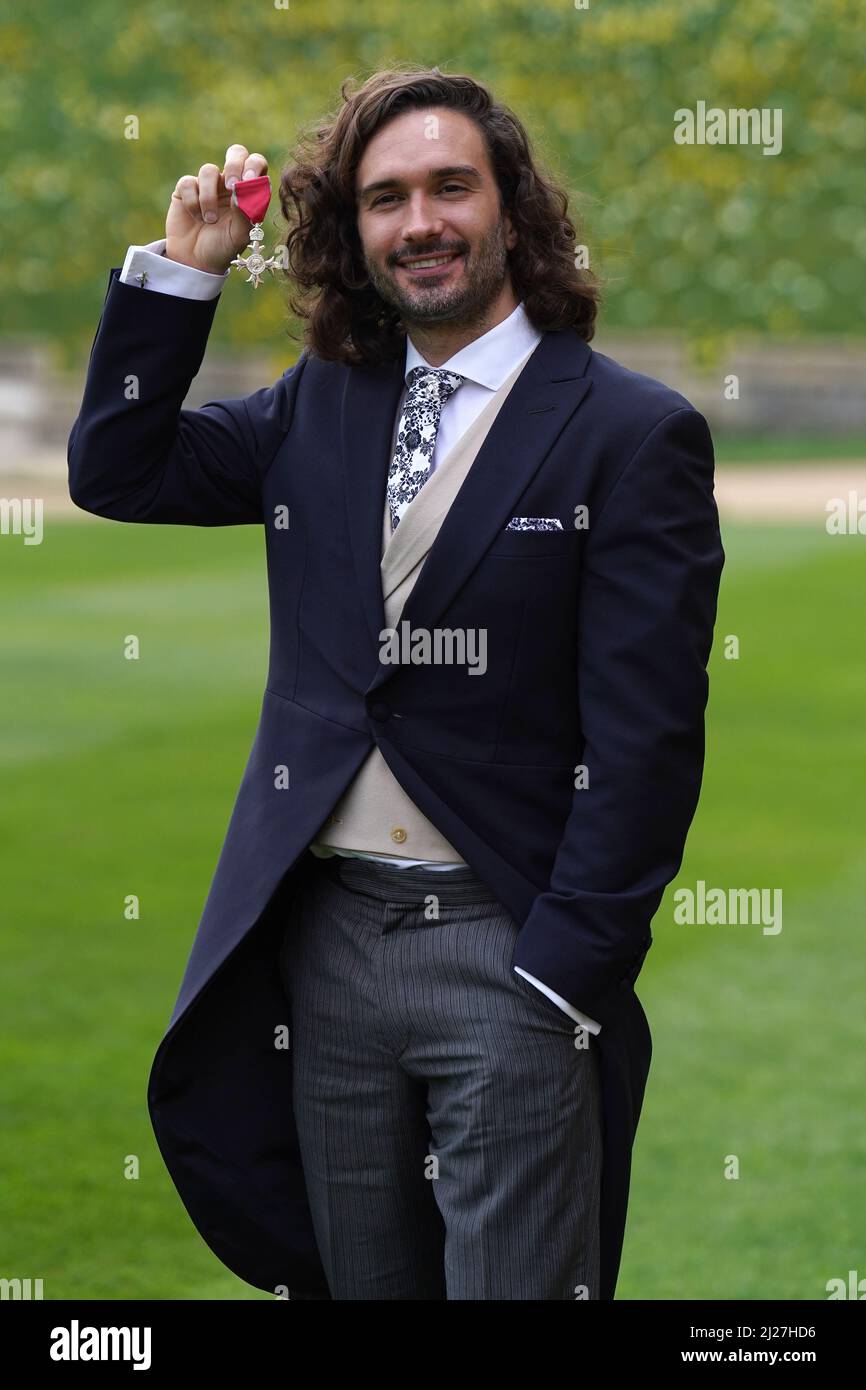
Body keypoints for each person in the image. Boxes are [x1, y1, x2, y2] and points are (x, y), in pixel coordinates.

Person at [68, 65, 725, 1300]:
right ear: (352, 231)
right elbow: (121, 469)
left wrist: (562, 971)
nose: (417, 221)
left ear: (512, 211)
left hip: (507, 948)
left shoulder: (631, 434)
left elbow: (644, 742)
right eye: (383, 198)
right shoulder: (320, 403)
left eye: (447, 187)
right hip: (322, 948)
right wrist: (186, 272)